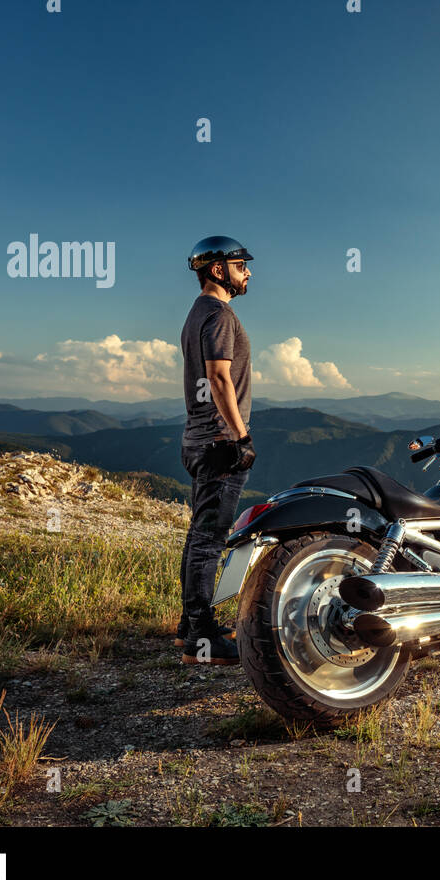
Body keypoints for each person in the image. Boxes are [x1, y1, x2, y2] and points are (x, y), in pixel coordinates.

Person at [177, 236, 258, 664]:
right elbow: (220, 379)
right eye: (240, 263)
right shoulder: (220, 315)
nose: (247, 271)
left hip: (196, 437)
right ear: (217, 270)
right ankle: (201, 640)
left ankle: (190, 626)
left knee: (198, 535)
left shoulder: (196, 314)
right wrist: (240, 436)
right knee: (210, 539)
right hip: (218, 442)